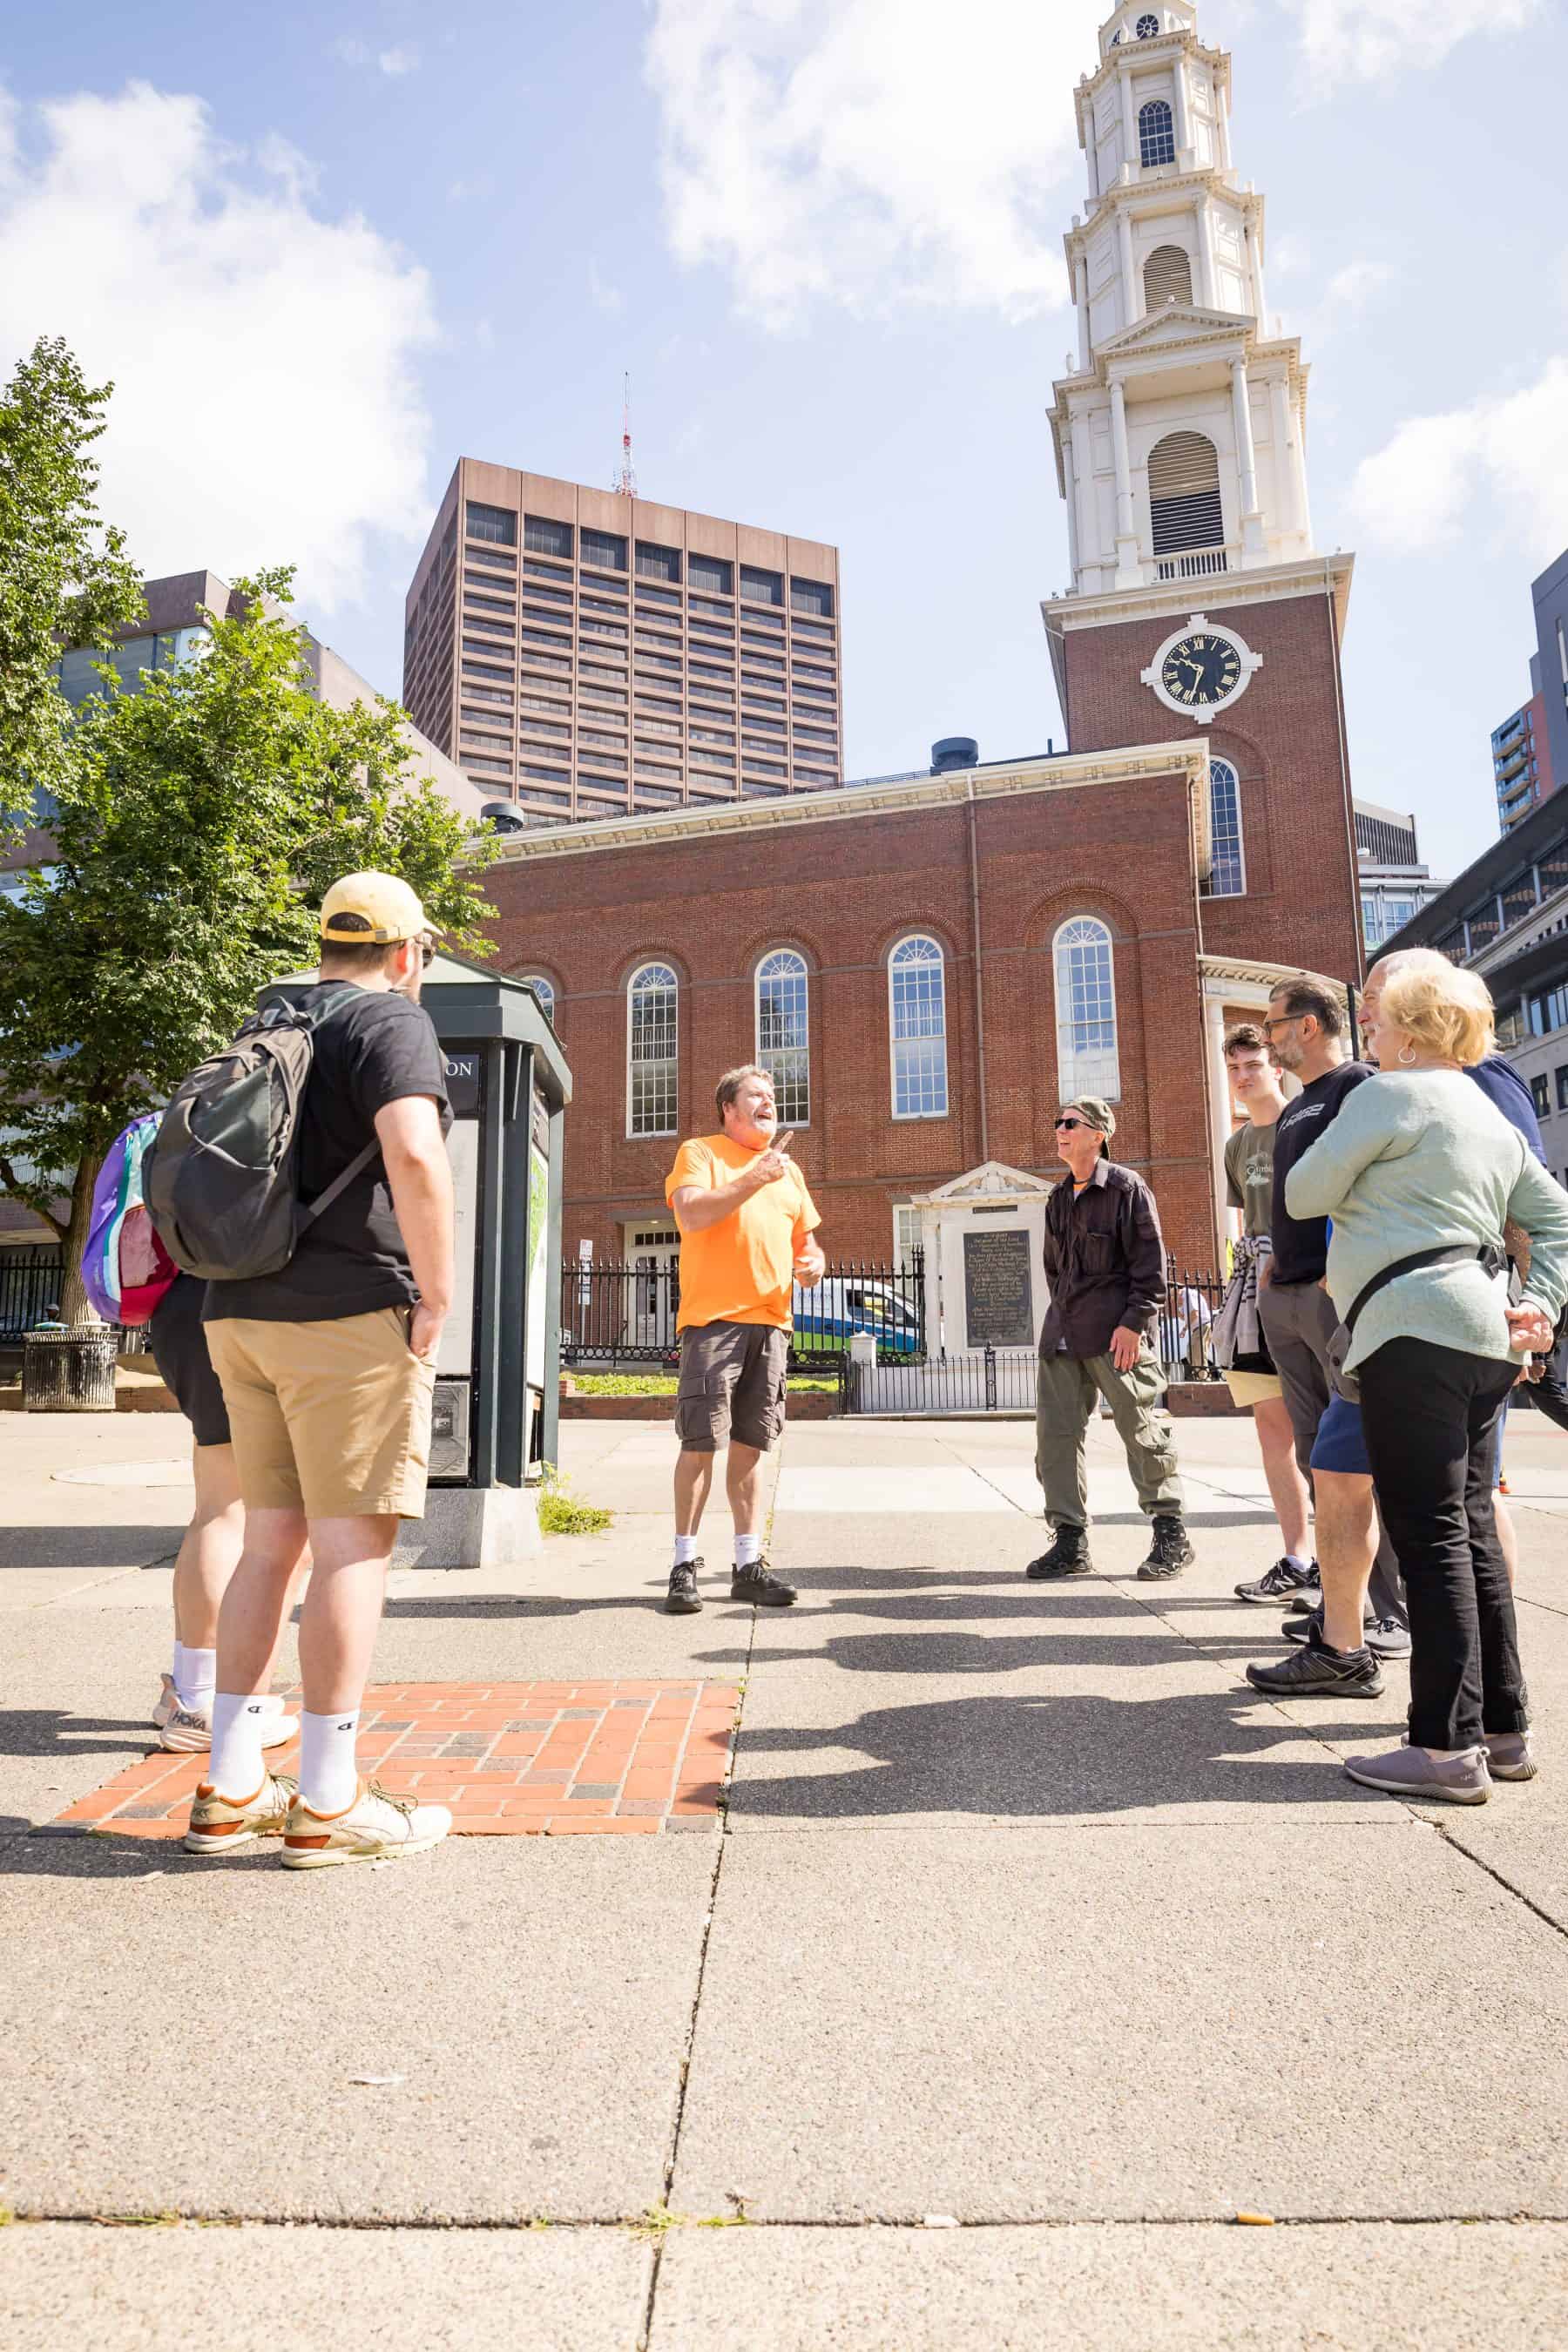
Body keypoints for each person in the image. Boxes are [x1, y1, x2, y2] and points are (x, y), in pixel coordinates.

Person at [182, 872, 456, 1868]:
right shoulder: (388, 1022)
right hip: (346, 1317)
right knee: (350, 1552)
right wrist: (436, 1293)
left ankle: (228, 1785)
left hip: (237, 1310)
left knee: (269, 1547)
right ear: (404, 952)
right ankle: (331, 1803)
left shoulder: (270, 1016)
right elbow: (416, 1157)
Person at [1286, 958, 1568, 1801]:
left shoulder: (1384, 1095)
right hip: (1488, 1335)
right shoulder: (1490, 1115)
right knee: (1474, 1526)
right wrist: (1543, 1303)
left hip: (1409, 1329)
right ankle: (1503, 1729)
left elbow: (1303, 1192)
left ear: (1406, 1030)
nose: (1367, 1034)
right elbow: (1553, 1218)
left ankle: (1443, 1747)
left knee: (1430, 1533)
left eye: (1376, 1024)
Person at [1243, 980, 1410, 1701]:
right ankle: (1342, 1610)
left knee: (1360, 1462)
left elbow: (1370, 1186)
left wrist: (1332, 1277)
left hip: (1336, 1302)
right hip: (1289, 1295)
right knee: (1321, 1459)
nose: (1267, 1036)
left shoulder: (1356, 1086)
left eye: (1274, 1023)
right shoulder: (1291, 1109)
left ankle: (1390, 1616)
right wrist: (1281, 1262)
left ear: (1307, 1027)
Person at [1358, 948, 1546, 1588]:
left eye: (1380, 995)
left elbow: (1530, 1202)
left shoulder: (1480, 1076)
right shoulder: (1397, 1087)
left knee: (1473, 1506)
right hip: (1423, 1320)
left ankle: (1489, 1653)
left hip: (1476, 1319)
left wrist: (1536, 1309)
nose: (1367, 1012)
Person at [664, 1064, 825, 1613]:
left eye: (772, 1096)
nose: (768, 1102)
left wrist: (813, 1264)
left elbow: (808, 1244)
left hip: (772, 1324)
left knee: (753, 1448)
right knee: (700, 1444)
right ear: (728, 1109)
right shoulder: (700, 1153)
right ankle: (683, 1566)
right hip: (713, 1321)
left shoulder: (791, 1173)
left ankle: (747, 1565)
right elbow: (690, 1214)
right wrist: (755, 1176)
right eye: (755, 1095)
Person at [1027, 1098, 1192, 1582]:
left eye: (1070, 1123)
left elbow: (1151, 1265)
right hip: (1062, 1335)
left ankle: (1171, 1533)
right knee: (1054, 1440)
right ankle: (1070, 1542)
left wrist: (1133, 1323)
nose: (1060, 1129)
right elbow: (1054, 1270)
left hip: (1115, 1332)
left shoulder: (1126, 1188)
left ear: (1097, 1134)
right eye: (1058, 1122)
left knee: (1141, 1430)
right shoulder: (1057, 1199)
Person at [149, 1272, 302, 1755]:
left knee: (217, 1507)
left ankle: (192, 1693)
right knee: (270, 1520)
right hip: (274, 1303)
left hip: (185, 1304)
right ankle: (221, 1705)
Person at [1216, 1023, 1316, 1605]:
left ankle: (1340, 1560)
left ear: (1274, 1066)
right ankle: (1297, 1556)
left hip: (1302, 1281)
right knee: (1271, 1429)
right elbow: (1244, 1220)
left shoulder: (1301, 1121)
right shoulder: (1235, 1145)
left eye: (1252, 1065)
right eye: (1233, 1068)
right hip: (1254, 1291)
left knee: (1317, 1429)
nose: (1243, 1077)